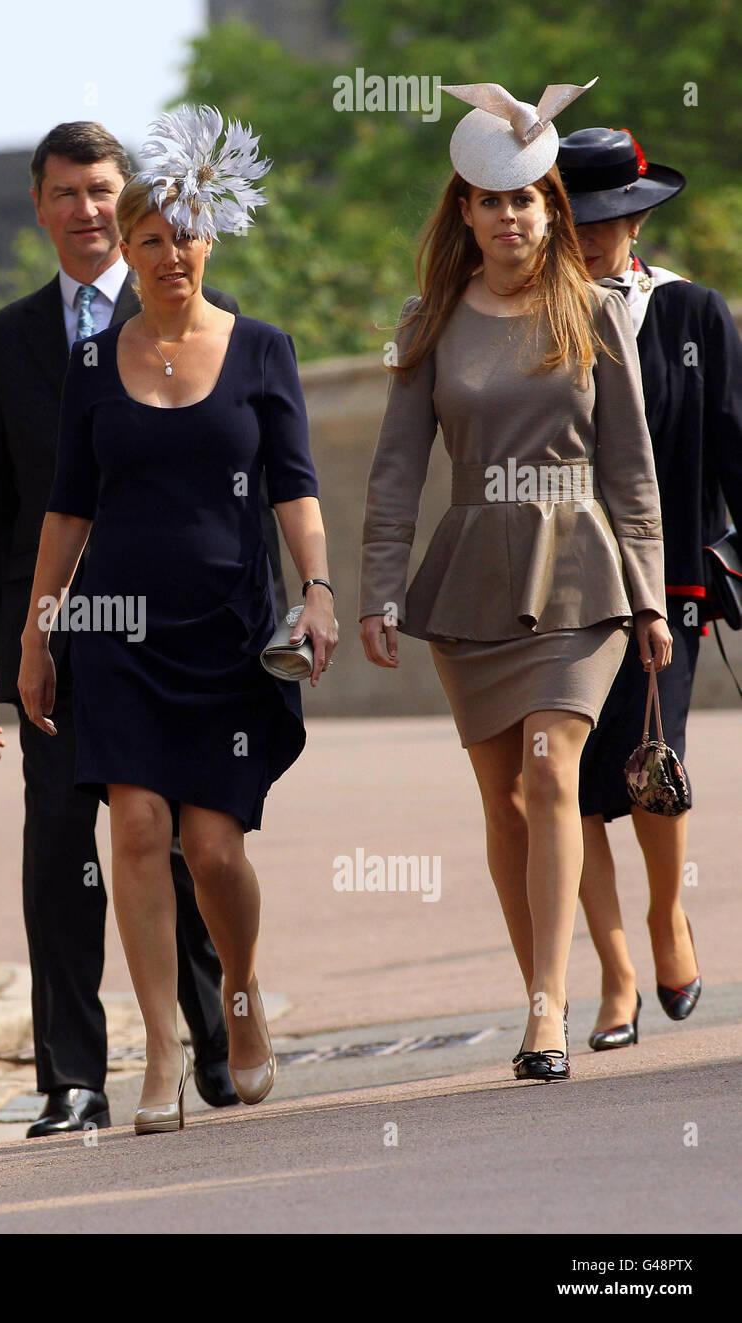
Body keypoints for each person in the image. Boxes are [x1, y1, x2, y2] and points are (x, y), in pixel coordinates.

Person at [0, 122, 283, 1134]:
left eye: (103, 190)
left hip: (195, 620)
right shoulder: (6, 339)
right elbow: (0, 504)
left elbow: (269, 489)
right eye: (65, 193)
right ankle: (79, 1075)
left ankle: (213, 1030)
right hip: (68, 632)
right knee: (73, 841)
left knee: (188, 842)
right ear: (40, 207)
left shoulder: (225, 329)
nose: (87, 210)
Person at [20, 106, 335, 1134]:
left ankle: (238, 1000)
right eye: (146, 238)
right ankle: (158, 1045)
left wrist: (319, 590)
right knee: (140, 827)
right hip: (115, 632)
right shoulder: (91, 366)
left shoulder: (261, 352)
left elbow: (294, 486)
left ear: (211, 238)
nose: (165, 254)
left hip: (228, 634)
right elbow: (67, 505)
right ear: (131, 248)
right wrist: (36, 631)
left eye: (182, 235)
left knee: (213, 850)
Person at [359, 81, 671, 1082]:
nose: (507, 216)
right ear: (464, 211)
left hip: (583, 574)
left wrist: (654, 594)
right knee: (504, 802)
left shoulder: (591, 311)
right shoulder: (430, 324)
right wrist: (376, 588)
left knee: (550, 771)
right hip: (473, 582)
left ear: (550, 210)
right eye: (489, 201)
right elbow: (398, 467)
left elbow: (630, 466)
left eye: (525, 200)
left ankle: (548, 1009)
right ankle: (536, 982)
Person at [558, 127, 742, 1047]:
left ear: (638, 217)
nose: (590, 234)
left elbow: (735, 447)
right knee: (573, 785)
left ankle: (669, 913)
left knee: (650, 765)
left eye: (609, 216)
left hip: (670, 581)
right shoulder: (532, 315)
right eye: (572, 216)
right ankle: (615, 971)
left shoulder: (696, 314)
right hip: (558, 586)